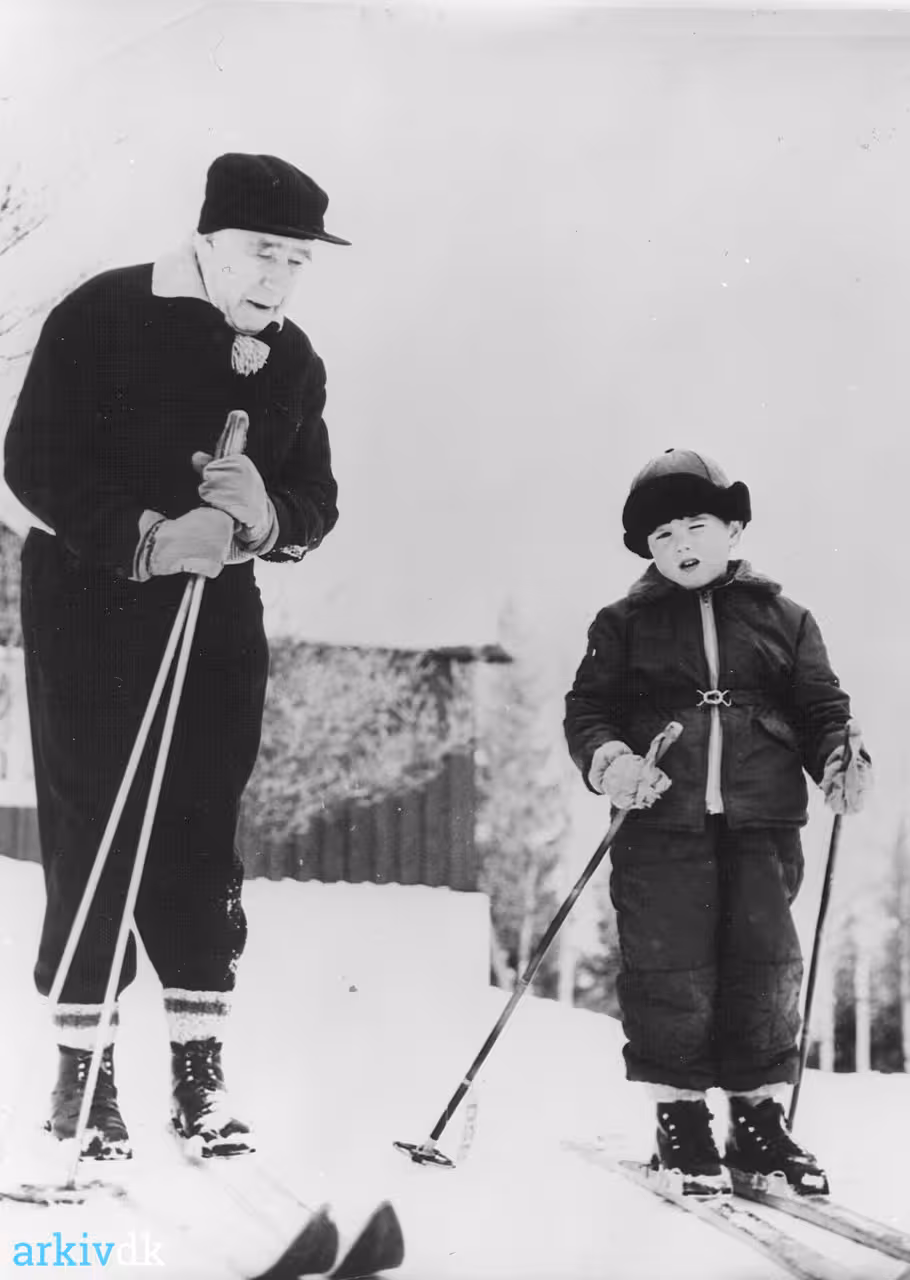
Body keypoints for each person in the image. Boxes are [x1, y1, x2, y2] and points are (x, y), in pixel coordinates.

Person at [4, 153, 348, 1160]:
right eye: (259, 251)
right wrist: (148, 535)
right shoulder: (105, 312)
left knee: (200, 822)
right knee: (99, 818)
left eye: (295, 259)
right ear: (208, 239)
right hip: (90, 601)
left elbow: (317, 499)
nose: (276, 276)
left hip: (217, 610)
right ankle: (84, 1080)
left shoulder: (293, 358)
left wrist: (268, 516)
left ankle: (198, 1082)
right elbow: (33, 460)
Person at [564, 448, 871, 1197]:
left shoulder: (785, 619)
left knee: (764, 969)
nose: (682, 545)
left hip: (762, 822)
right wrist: (612, 759)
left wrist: (840, 757)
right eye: (663, 536)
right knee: (672, 972)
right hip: (658, 827)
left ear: (734, 528)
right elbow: (588, 710)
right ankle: (681, 1120)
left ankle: (760, 1123)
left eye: (696, 525)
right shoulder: (623, 622)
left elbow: (822, 708)